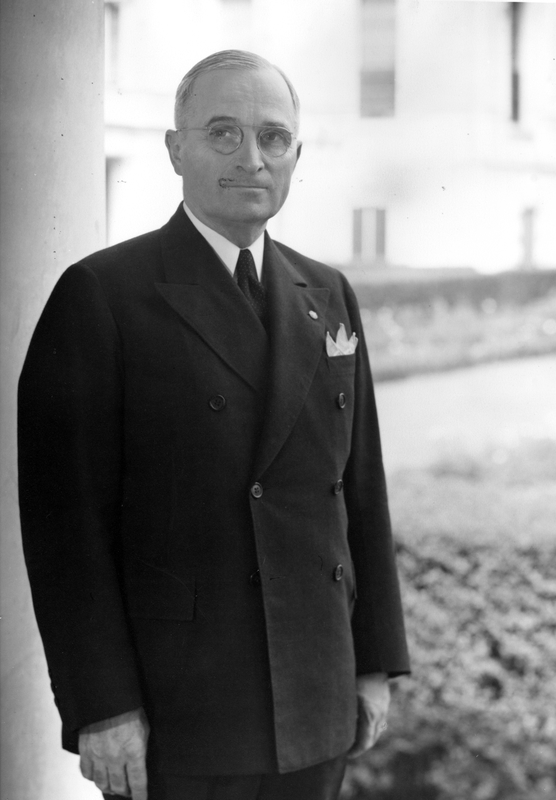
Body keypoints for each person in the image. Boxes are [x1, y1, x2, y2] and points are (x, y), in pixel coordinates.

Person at [18, 50, 409, 800]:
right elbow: (65, 526)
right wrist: (103, 708)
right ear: (176, 149)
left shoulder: (329, 292)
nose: (252, 158)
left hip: (316, 695)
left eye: (273, 137)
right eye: (223, 132)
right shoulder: (102, 294)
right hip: (178, 712)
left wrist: (373, 662)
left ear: (297, 155)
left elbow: (361, 490)